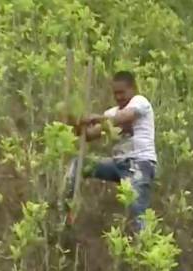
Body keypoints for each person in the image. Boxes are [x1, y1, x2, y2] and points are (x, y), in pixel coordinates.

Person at [64, 71, 157, 232]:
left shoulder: (140, 102)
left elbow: (124, 117)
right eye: (115, 93)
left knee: (137, 212)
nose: (118, 97)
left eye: (122, 92)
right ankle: (65, 210)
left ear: (133, 89)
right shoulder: (111, 113)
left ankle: (144, 246)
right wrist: (76, 123)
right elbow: (90, 135)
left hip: (139, 164)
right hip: (118, 164)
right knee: (79, 164)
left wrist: (96, 118)